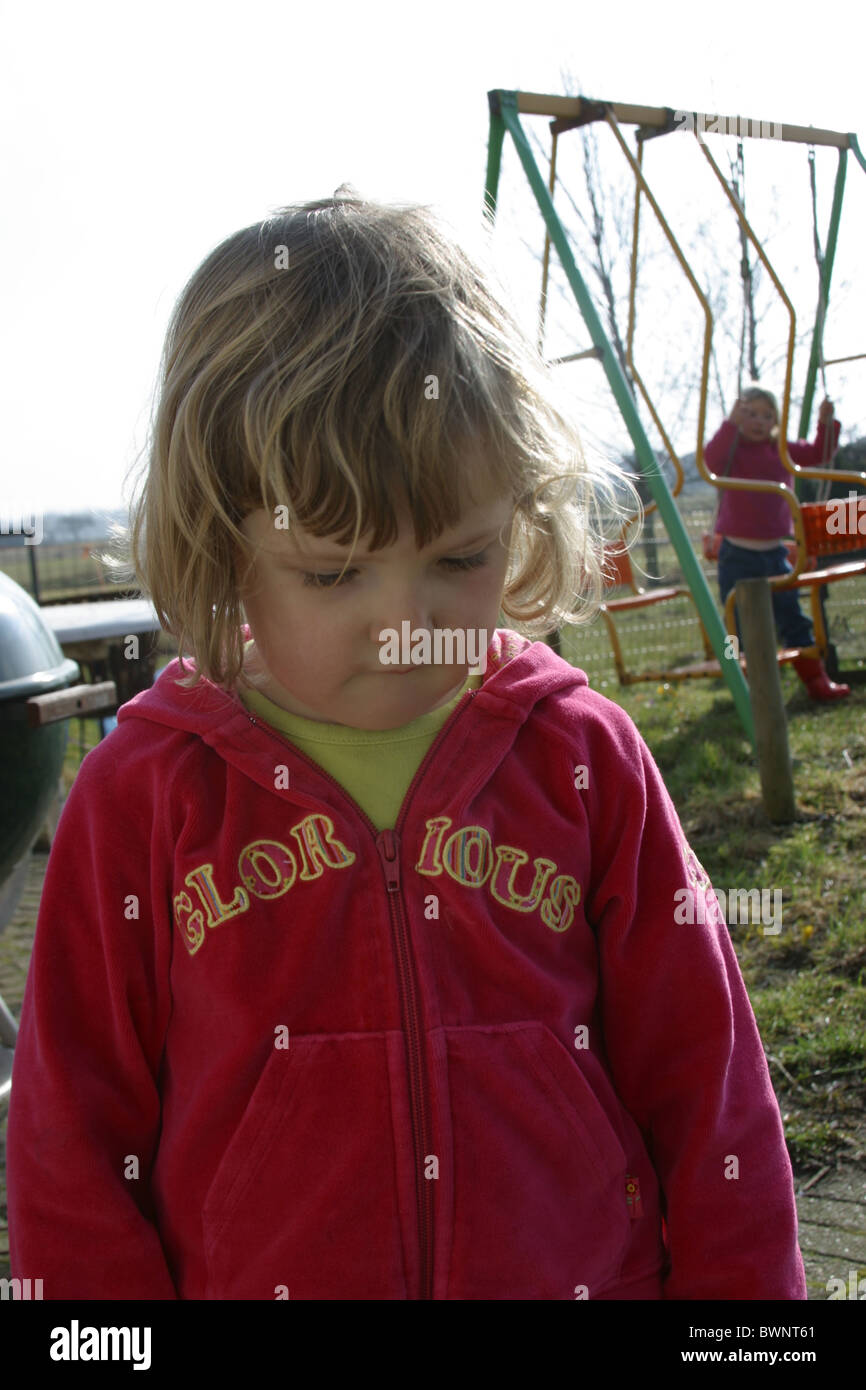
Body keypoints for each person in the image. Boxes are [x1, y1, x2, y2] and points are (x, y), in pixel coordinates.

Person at [7, 193, 807, 1300]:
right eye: (334, 571)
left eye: (460, 558)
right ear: (221, 545)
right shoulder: (141, 798)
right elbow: (70, 1151)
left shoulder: (584, 762)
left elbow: (710, 1088)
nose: (403, 624)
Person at [708, 386, 850, 700]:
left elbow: (819, 453)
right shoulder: (732, 449)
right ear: (738, 416)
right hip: (736, 554)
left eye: (767, 415)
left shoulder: (781, 449)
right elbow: (711, 461)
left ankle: (816, 681)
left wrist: (825, 423)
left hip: (774, 553)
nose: (759, 421)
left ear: (776, 420)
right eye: (750, 414)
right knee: (736, 624)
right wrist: (730, 425)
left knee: (793, 617)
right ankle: (742, 683)